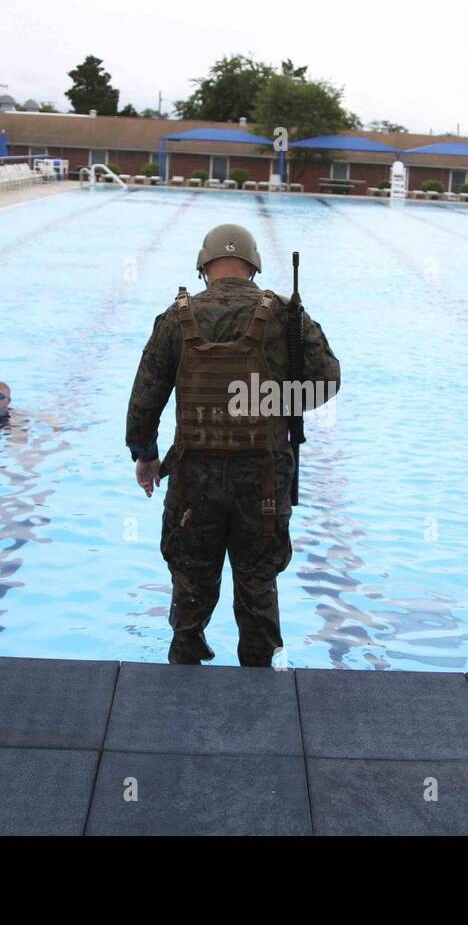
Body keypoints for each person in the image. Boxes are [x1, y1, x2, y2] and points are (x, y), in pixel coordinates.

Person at [126, 224, 341, 666]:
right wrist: (270, 400)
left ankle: (184, 664)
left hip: (191, 479)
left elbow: (145, 399)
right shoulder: (284, 314)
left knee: (190, 579)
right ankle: (260, 676)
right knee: (258, 580)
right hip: (262, 477)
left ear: (203, 266)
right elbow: (327, 381)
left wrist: (146, 456)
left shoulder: (176, 317)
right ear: (254, 265)